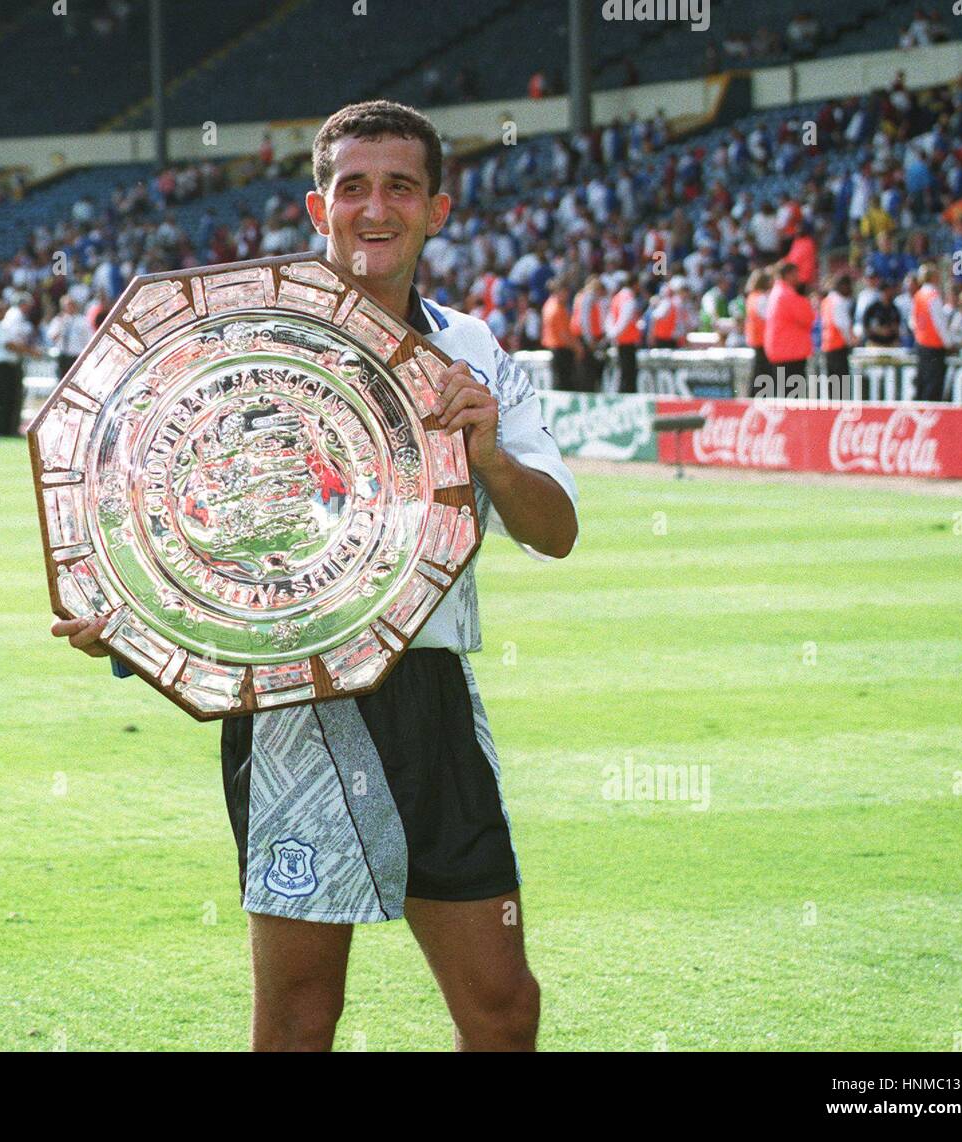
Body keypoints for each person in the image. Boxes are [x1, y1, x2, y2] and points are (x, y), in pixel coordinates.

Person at [53, 99, 578, 1053]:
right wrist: (121, 625)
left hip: (430, 696)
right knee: (300, 1014)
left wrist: (492, 455)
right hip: (289, 704)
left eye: (401, 188)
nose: (375, 208)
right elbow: (157, 507)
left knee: (503, 1006)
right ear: (315, 205)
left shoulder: (473, 352)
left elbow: (557, 532)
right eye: (353, 187)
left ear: (439, 210)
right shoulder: (235, 339)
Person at [0, 293, 41, 436]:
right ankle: (2, 429)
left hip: (9, 364)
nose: (5, 312)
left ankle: (9, 429)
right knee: (4, 398)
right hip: (3, 365)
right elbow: (10, 345)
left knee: (11, 398)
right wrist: (31, 351)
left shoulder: (3, 326)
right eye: (2, 310)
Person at [763, 261, 815, 399]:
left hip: (781, 351)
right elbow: (808, 318)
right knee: (793, 400)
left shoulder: (776, 292)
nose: (799, 278)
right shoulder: (788, 294)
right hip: (790, 353)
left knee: (784, 397)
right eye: (796, 274)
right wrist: (805, 299)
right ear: (788, 275)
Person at [909, 262, 951, 400]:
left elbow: (912, 322)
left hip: (921, 344)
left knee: (922, 382)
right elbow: (940, 323)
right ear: (934, 277)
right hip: (934, 346)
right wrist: (948, 343)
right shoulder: (933, 295)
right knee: (933, 385)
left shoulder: (918, 295)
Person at [604, 271, 644, 393]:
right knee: (628, 374)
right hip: (628, 341)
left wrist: (611, 334)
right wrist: (614, 335)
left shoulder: (617, 297)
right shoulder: (629, 298)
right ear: (635, 284)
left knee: (623, 372)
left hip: (620, 341)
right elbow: (624, 320)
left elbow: (610, 318)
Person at [569, 275, 607, 392]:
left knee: (584, 368)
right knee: (588, 369)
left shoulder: (579, 296)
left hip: (580, 336)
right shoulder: (588, 297)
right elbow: (584, 320)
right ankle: (588, 392)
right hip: (586, 337)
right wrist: (589, 339)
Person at [819, 274, 855, 394]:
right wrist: (851, 341)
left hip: (828, 346)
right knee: (841, 388)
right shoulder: (839, 302)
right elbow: (843, 325)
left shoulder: (827, 301)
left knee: (832, 386)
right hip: (838, 347)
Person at [742, 268, 773, 398]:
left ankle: (755, 396)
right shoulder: (761, 298)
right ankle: (759, 397)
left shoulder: (752, 296)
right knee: (763, 372)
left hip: (755, 337)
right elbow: (769, 316)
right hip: (763, 339)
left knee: (758, 370)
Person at [46, 294, 93, 380]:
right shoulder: (58, 320)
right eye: (67, 305)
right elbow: (52, 338)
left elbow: (89, 338)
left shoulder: (82, 320)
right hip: (63, 356)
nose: (69, 307)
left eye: (71, 304)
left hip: (77, 355)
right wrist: (61, 325)